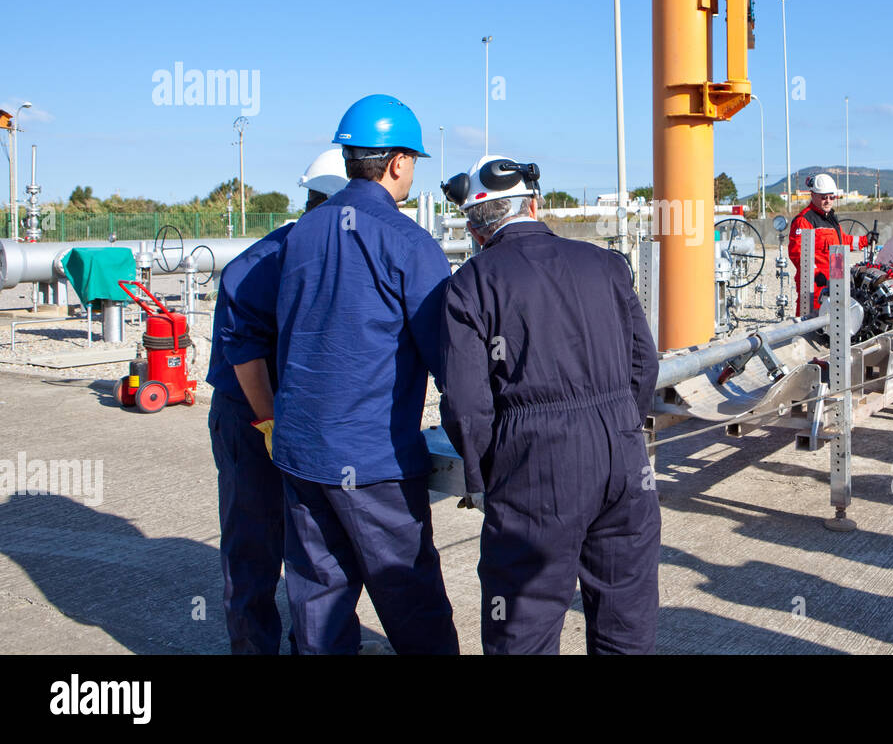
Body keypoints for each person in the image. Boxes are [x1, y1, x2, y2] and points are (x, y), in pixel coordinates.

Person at [438, 155, 661, 655]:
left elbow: (467, 407)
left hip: (535, 465)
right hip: (623, 458)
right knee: (627, 616)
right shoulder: (605, 264)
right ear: (535, 205)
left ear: (475, 229)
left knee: (524, 620)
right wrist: (622, 424)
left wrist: (490, 473)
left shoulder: (471, 283)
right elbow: (644, 365)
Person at [271, 94, 459, 655]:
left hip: (301, 450)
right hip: (373, 460)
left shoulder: (301, 233)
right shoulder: (409, 242)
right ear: (399, 162)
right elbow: (447, 354)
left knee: (317, 597)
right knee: (411, 599)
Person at [205, 146, 347, 654]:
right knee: (253, 541)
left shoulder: (331, 252)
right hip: (250, 413)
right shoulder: (264, 262)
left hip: (300, 411)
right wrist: (269, 423)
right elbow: (246, 357)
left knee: (312, 545)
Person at [788, 173, 872, 315]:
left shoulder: (831, 219)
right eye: (823, 197)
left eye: (831, 197)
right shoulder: (804, 220)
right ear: (813, 195)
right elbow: (797, 254)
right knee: (810, 323)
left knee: (835, 323)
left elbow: (842, 241)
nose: (828, 201)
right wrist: (816, 275)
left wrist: (865, 240)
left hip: (835, 280)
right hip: (815, 286)